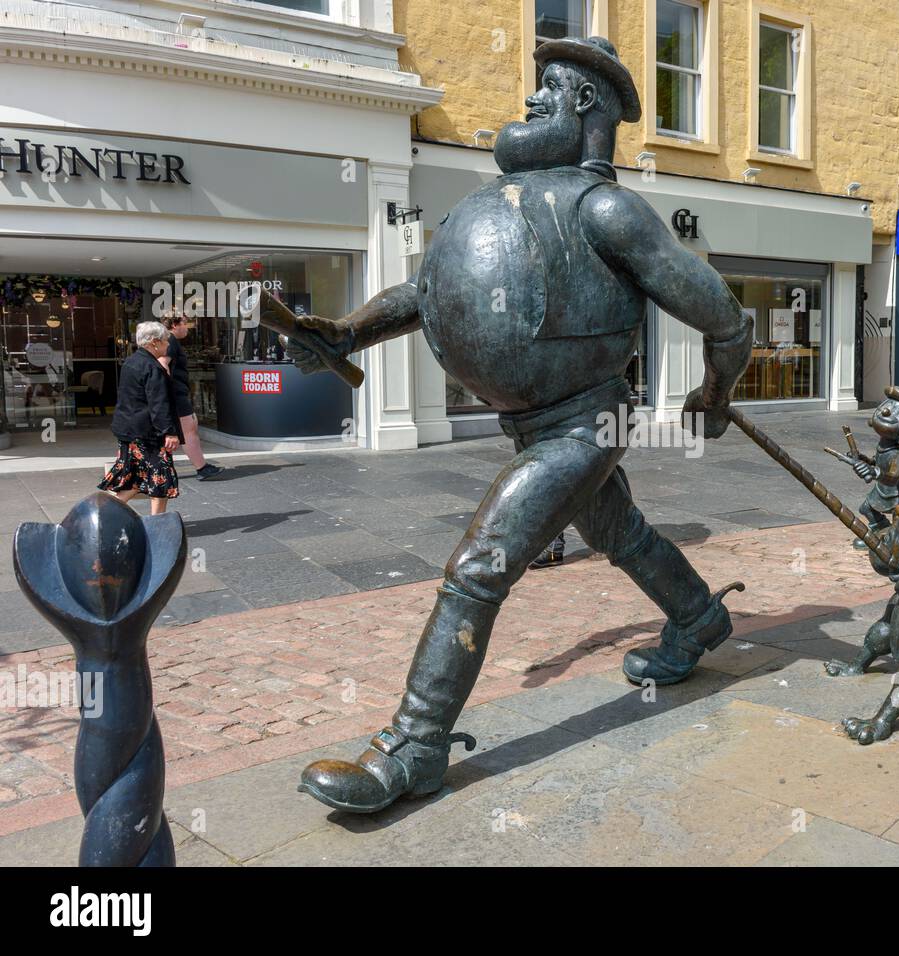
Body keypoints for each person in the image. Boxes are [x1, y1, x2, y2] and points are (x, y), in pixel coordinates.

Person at [280, 37, 753, 814]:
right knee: (618, 532)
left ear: (590, 104)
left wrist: (716, 392)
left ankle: (416, 746)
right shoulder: (520, 198)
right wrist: (348, 332)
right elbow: (428, 288)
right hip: (534, 425)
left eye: (553, 88)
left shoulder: (606, 208)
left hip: (581, 425)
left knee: (480, 565)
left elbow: (724, 316)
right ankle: (699, 617)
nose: (533, 100)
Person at [98, 321, 181, 514]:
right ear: (154, 342)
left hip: (130, 429)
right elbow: (158, 404)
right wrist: (169, 432)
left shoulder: (132, 361)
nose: (168, 344)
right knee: (159, 479)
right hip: (148, 434)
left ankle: (106, 514)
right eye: (165, 340)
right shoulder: (152, 367)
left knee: (134, 480)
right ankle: (157, 523)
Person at [163, 312, 222, 479]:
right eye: (185, 322)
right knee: (189, 430)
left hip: (174, 393)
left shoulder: (169, 341)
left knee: (188, 429)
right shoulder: (170, 342)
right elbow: (162, 364)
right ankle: (202, 468)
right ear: (175, 325)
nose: (187, 327)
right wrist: (166, 390)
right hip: (175, 394)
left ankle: (200, 467)